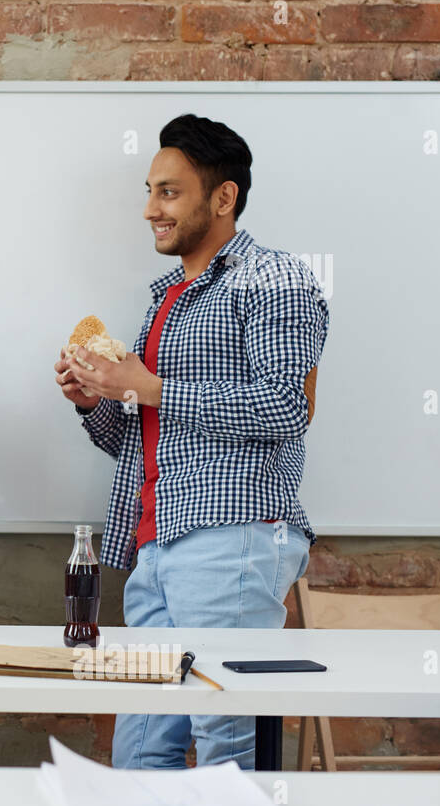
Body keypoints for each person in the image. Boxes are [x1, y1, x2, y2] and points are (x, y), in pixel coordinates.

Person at [54, 114, 329, 770]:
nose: (151, 208)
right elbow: (150, 439)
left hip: (229, 542)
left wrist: (148, 387)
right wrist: (97, 401)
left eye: (169, 192)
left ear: (223, 197)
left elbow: (287, 407)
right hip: (155, 548)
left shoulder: (274, 279)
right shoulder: (168, 300)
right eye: (150, 191)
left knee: (228, 744)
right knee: (141, 752)